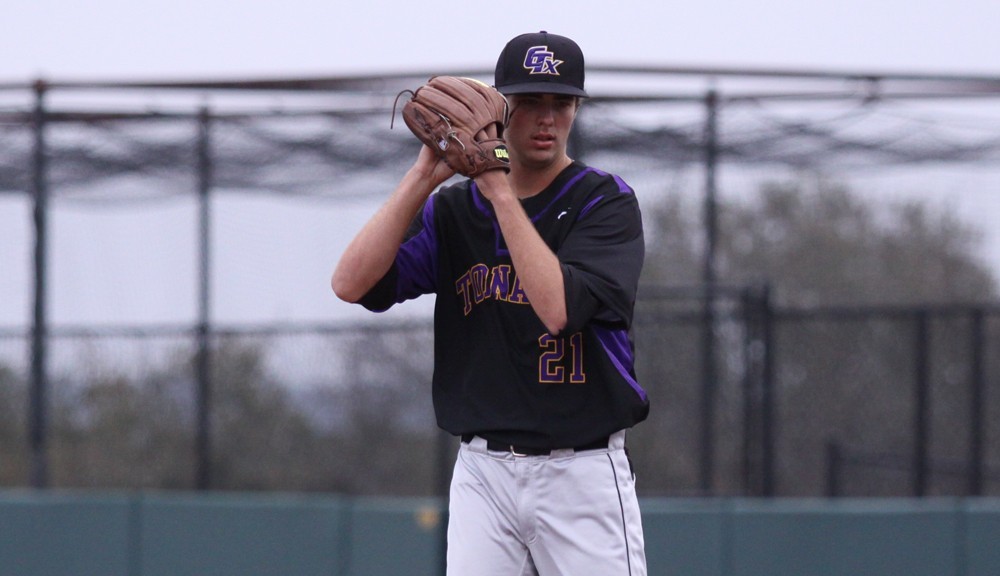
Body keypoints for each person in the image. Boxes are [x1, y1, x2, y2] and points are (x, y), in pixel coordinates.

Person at [332, 31, 648, 576]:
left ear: (575, 109)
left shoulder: (604, 201)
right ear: (502, 109)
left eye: (561, 103)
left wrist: (497, 187)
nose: (547, 119)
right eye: (530, 103)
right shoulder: (453, 212)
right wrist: (421, 176)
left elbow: (557, 310)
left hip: (582, 470)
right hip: (483, 470)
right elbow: (351, 283)